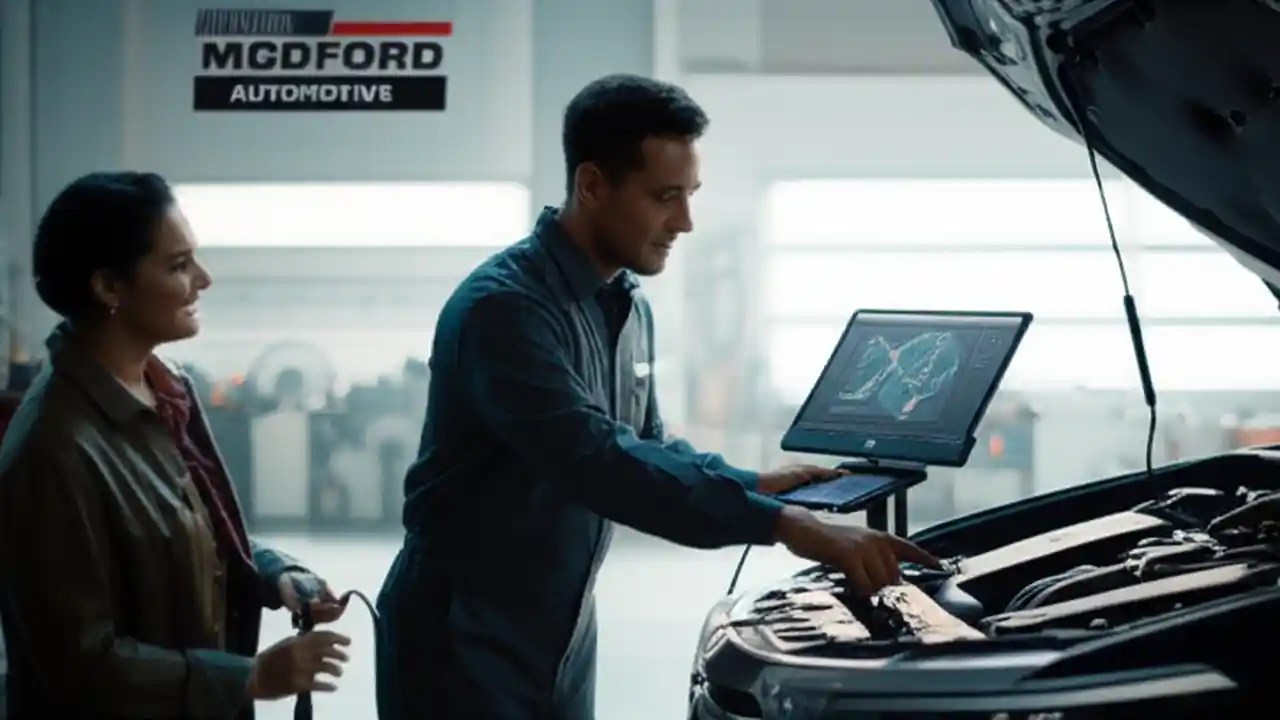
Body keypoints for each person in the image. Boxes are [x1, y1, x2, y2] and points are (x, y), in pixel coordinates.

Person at [374, 74, 939, 720]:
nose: (685, 222)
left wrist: (753, 482)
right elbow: (595, 459)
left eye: (690, 195)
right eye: (665, 197)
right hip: (461, 638)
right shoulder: (505, 310)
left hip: (561, 631)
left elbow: (645, 443)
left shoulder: (626, 304)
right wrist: (783, 524)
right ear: (592, 185)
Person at [0, 171, 352, 718]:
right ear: (109, 287)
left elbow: (193, 533)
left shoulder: (166, 391)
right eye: (178, 266)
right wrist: (251, 677)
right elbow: (79, 665)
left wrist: (275, 573)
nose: (204, 279)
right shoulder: (53, 450)